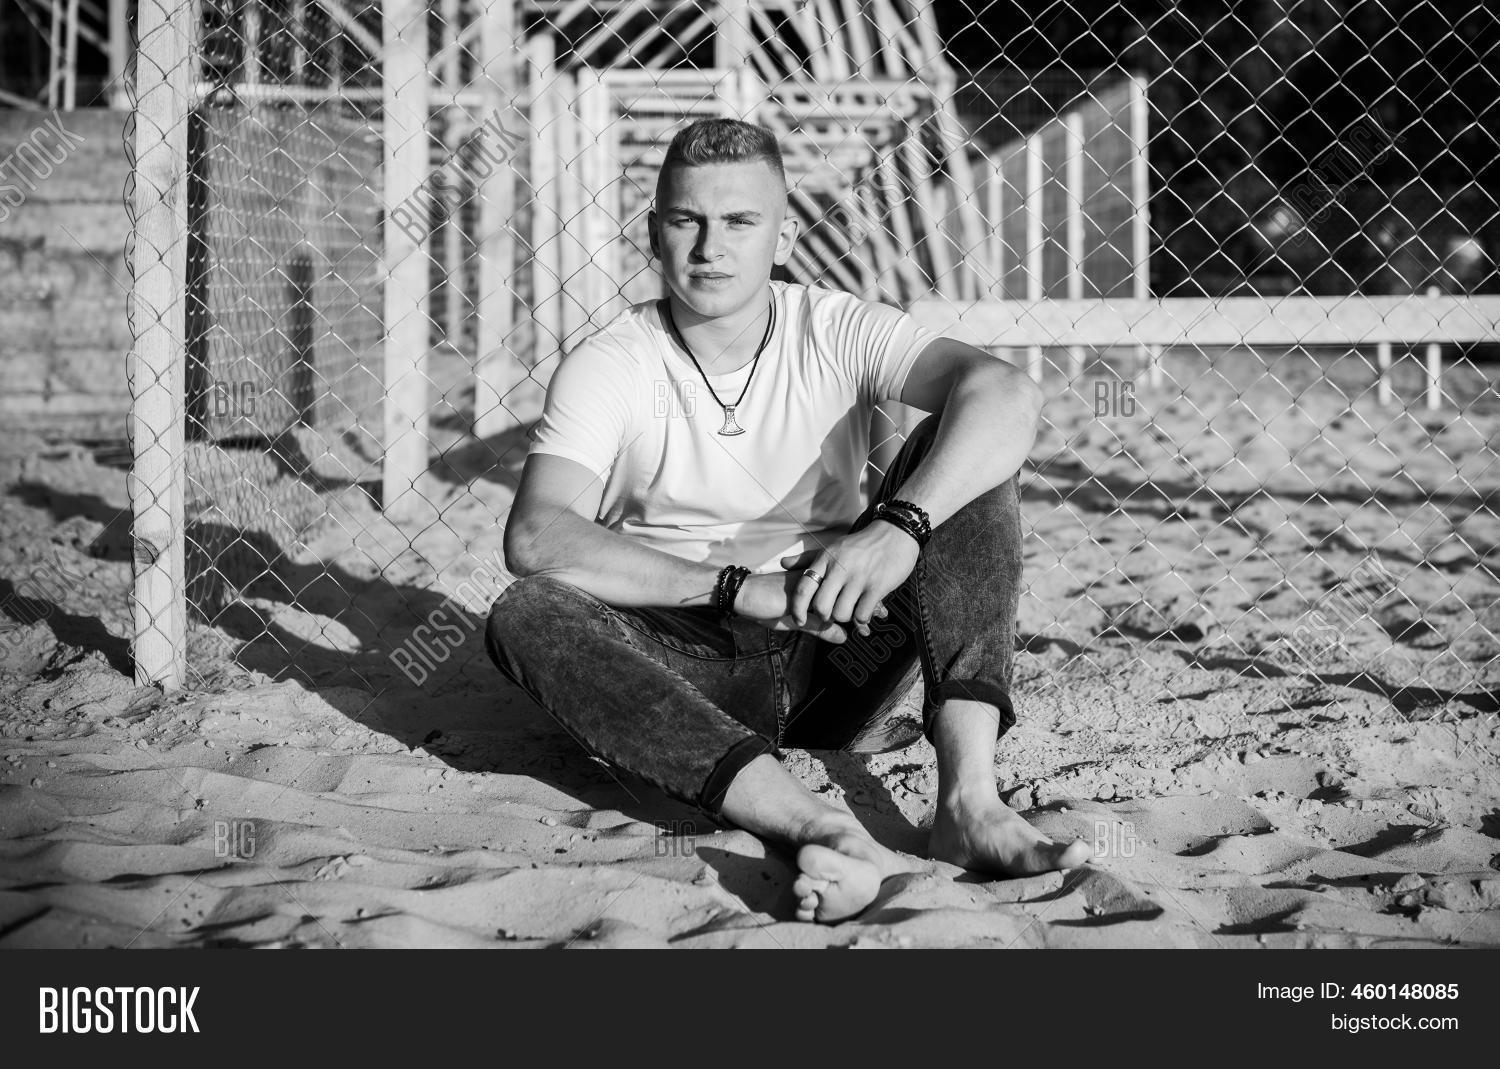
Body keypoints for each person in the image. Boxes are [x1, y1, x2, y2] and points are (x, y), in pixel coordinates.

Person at [487, 118, 1090, 923]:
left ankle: (968, 805)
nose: (711, 246)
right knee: (525, 613)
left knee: (970, 464)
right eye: (686, 219)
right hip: (684, 663)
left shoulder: (833, 327)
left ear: (783, 234)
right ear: (653, 232)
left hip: (842, 648)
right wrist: (739, 588)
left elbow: (1007, 393)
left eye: (740, 221)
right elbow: (535, 535)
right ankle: (820, 825)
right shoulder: (613, 362)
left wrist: (900, 525)